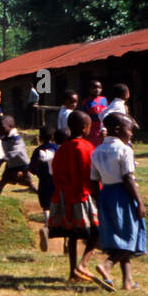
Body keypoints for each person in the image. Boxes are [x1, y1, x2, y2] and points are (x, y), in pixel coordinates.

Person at [47, 110, 102, 286]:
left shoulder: (62, 148)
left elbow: (55, 171)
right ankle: (83, 265)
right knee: (97, 232)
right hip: (82, 195)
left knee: (72, 235)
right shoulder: (86, 148)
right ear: (85, 128)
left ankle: (72, 271)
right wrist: (98, 193)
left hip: (63, 196)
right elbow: (91, 174)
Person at [91, 113, 145, 291]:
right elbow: (128, 178)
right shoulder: (125, 149)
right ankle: (107, 265)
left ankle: (127, 280)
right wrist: (139, 201)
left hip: (105, 193)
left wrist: (98, 201)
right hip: (123, 194)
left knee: (121, 236)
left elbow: (93, 180)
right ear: (117, 130)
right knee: (131, 236)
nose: (131, 133)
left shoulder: (97, 151)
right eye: (129, 129)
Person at [29, 127, 63, 250]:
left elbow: (31, 168)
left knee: (46, 206)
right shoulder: (59, 149)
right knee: (61, 206)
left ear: (40, 138)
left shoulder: (38, 150)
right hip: (59, 182)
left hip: (44, 181)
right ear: (53, 137)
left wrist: (36, 170)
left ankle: (47, 226)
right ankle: (66, 241)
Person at [0, 114, 34, 195]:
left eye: (2, 127)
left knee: (29, 182)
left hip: (22, 165)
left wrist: (3, 160)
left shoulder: (16, 138)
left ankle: (41, 194)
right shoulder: (4, 138)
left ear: (10, 126)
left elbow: (15, 151)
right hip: (11, 165)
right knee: (2, 182)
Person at [83, 81, 108, 147]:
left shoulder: (104, 99)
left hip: (103, 127)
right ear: (90, 89)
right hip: (92, 129)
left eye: (99, 87)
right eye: (94, 88)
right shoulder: (86, 102)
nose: (97, 90)